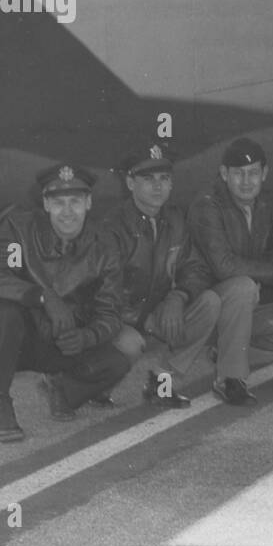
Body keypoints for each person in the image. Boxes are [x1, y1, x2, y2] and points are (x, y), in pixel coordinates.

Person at [0, 164, 130, 441]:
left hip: (64, 341)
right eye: (59, 203)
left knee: (117, 363)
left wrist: (86, 337)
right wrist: (42, 296)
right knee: (3, 309)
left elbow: (111, 313)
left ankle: (61, 386)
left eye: (75, 202)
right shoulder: (19, 231)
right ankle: (0, 401)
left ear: (89, 203)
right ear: (46, 204)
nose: (68, 211)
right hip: (22, 338)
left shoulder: (104, 245)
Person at [188, 137, 273, 404]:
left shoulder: (264, 208)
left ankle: (226, 352)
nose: (247, 181)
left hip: (249, 305)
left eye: (253, 173)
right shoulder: (207, 205)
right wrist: (272, 275)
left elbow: (271, 256)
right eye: (238, 173)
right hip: (210, 308)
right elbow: (224, 266)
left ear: (265, 174)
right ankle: (230, 379)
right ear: (224, 174)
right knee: (243, 286)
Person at [102, 142, 218, 408]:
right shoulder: (113, 226)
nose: (157, 186)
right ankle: (84, 384)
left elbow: (196, 268)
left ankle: (161, 384)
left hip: (154, 313)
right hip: (119, 318)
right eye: (148, 179)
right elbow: (105, 289)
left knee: (210, 302)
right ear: (130, 183)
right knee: (129, 344)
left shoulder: (176, 220)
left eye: (164, 178)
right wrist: (145, 319)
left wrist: (178, 297)